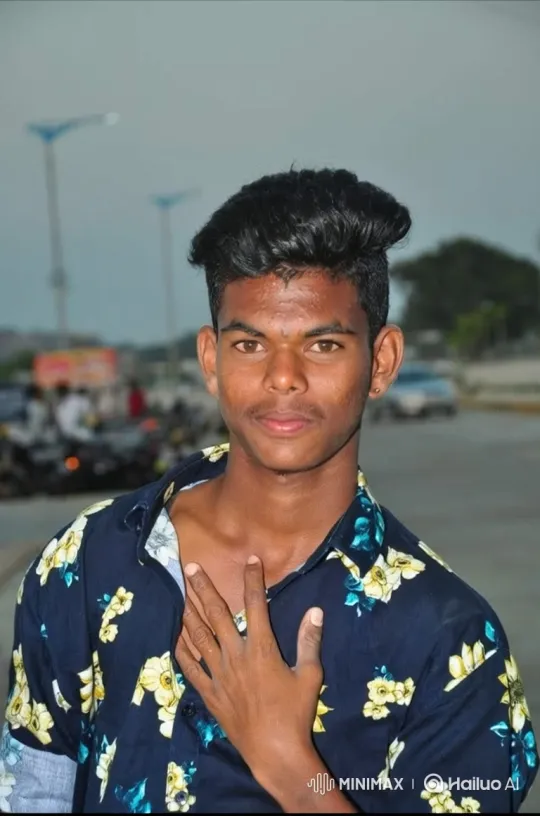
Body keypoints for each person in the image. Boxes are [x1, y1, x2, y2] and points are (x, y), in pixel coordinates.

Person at [1, 169, 537, 814]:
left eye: (324, 344)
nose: (284, 377)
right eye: (251, 343)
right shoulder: (86, 562)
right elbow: (31, 794)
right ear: (211, 360)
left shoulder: (451, 641)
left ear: (382, 362)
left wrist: (288, 763)